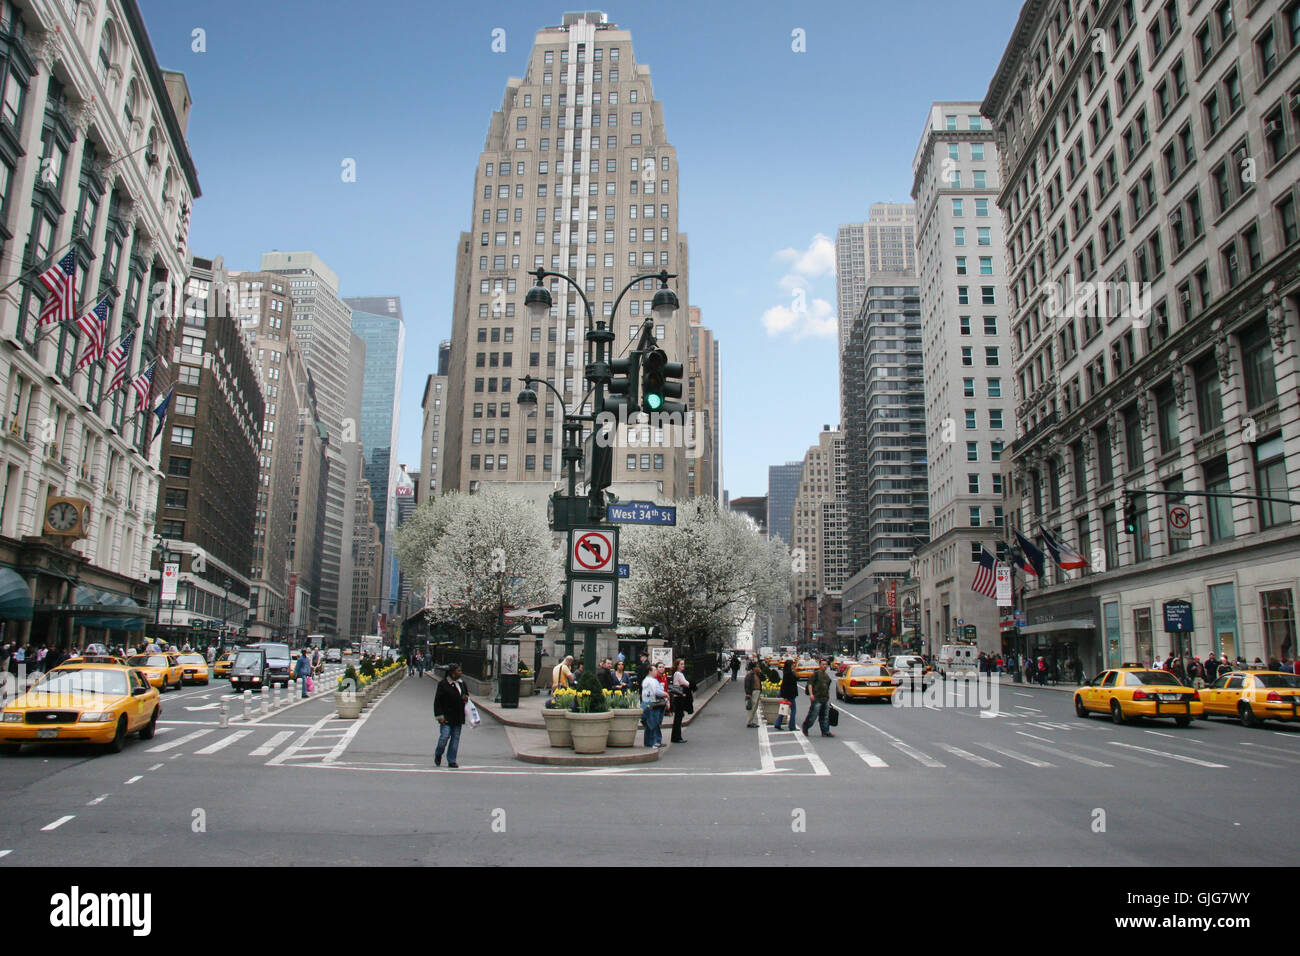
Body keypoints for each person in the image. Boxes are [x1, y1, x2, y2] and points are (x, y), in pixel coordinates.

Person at [434, 663, 469, 768]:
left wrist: (465, 697)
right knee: (444, 737)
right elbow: (437, 701)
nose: (460, 673)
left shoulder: (462, 684)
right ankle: (438, 753)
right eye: (459, 671)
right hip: (446, 716)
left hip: (458, 716)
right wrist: (439, 716)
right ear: (453, 674)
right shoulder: (443, 684)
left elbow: (466, 695)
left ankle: (452, 760)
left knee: (455, 739)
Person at [801, 658, 834, 737]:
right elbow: (810, 684)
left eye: (826, 664)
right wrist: (811, 694)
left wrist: (829, 699)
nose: (824, 666)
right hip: (817, 698)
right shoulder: (815, 674)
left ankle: (825, 731)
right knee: (813, 715)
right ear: (819, 665)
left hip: (825, 698)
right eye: (823, 664)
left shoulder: (827, 676)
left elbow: (827, 688)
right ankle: (805, 727)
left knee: (825, 716)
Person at [641, 662, 667, 748]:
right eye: (655, 669)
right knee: (651, 723)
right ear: (650, 671)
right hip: (651, 703)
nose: (656, 671)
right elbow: (656, 691)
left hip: (648, 703)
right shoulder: (650, 680)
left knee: (651, 724)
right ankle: (650, 743)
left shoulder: (650, 680)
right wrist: (665, 693)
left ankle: (651, 742)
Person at [669, 658, 692, 743]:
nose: (683, 666)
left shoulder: (677, 674)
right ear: (677, 665)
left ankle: (676, 736)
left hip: (678, 697)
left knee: (679, 717)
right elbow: (685, 683)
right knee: (678, 717)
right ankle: (677, 737)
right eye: (681, 664)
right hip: (679, 697)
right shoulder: (678, 674)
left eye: (683, 664)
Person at [772, 659, 799, 732]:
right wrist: (794, 671)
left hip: (787, 694)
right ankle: (792, 726)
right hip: (790, 695)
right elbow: (796, 678)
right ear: (790, 665)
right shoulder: (790, 674)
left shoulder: (786, 673)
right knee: (793, 710)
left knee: (784, 709)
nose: (793, 665)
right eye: (792, 664)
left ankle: (777, 723)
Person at [744, 661, 762, 728]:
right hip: (753, 692)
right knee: (751, 708)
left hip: (757, 691)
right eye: (757, 666)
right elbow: (747, 685)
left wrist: (760, 672)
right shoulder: (750, 675)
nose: (758, 668)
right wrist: (748, 694)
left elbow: (763, 679)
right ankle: (749, 722)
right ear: (753, 668)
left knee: (754, 708)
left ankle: (751, 721)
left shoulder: (757, 674)